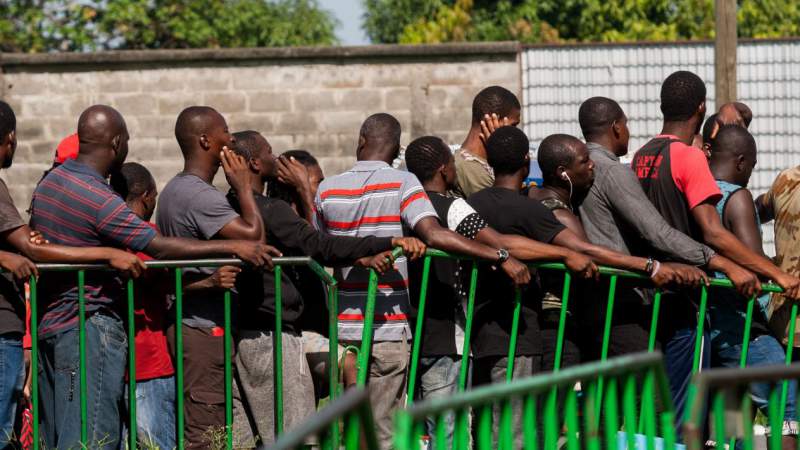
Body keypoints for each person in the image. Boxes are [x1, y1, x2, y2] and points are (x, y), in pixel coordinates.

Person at [29, 105, 276, 450]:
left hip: (52, 326)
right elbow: (157, 246)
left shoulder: (50, 184)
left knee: (60, 436)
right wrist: (234, 245)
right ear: (116, 143)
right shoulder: (99, 198)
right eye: (127, 139)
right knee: (92, 438)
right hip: (89, 330)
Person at [314, 113, 530, 449]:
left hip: (342, 329)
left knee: (352, 428)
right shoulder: (405, 185)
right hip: (390, 325)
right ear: (397, 149)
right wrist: (500, 256)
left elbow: (320, 248)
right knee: (387, 432)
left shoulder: (327, 189)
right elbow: (434, 234)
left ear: (360, 140)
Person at [225, 130, 424, 447]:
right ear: (253, 163)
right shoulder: (270, 210)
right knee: (297, 437)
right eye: (269, 152)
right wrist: (386, 241)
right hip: (273, 336)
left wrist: (360, 259)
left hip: (242, 333)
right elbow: (319, 243)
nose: (275, 157)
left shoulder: (223, 207)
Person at [631, 70, 800, 429]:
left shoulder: (643, 156)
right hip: (694, 305)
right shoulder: (689, 159)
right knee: (777, 409)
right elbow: (713, 233)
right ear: (700, 107)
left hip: (657, 296)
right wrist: (774, 273)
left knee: (708, 417)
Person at [403, 135, 597, 446]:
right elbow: (495, 241)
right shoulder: (455, 207)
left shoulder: (403, 207)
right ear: (443, 170)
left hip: (414, 335)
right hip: (456, 338)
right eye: (452, 164)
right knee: (460, 434)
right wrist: (538, 256)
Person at [573, 97, 756, 361]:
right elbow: (658, 232)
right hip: (625, 302)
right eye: (626, 124)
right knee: (653, 399)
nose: (628, 130)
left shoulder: (594, 164)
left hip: (593, 304)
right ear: (615, 127)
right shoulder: (614, 171)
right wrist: (722, 263)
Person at [706, 125, 798, 444]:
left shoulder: (697, 194)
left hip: (706, 323)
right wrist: (780, 271)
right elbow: (751, 258)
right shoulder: (737, 195)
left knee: (732, 412)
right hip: (741, 324)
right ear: (742, 161)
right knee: (786, 408)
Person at [454, 86, 521, 198]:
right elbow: (507, 207)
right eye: (513, 125)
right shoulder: (471, 168)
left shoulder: (483, 162)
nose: (515, 132)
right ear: (491, 120)